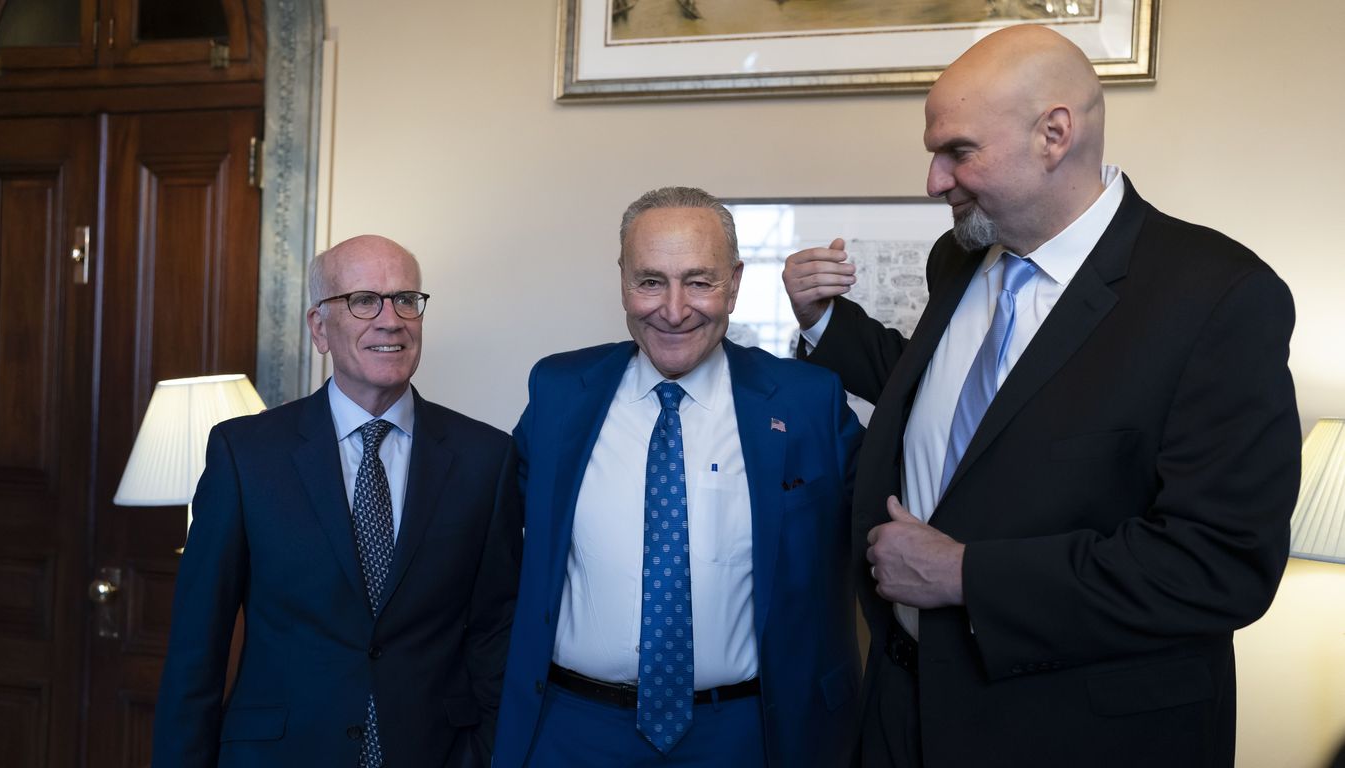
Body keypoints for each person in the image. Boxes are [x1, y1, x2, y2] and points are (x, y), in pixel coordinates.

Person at [783, 25, 1299, 767]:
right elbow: (957, 402)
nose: (933, 180)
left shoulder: (1217, 296)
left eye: (958, 151)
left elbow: (1219, 565)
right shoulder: (960, 256)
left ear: (1054, 134)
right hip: (904, 712)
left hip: (1071, 733)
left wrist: (964, 575)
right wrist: (826, 325)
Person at [494, 187, 864, 767]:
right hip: (573, 731)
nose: (673, 309)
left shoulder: (804, 402)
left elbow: (882, 514)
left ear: (735, 283)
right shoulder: (560, 392)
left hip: (746, 734)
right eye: (650, 281)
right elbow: (493, 544)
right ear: (622, 280)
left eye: (699, 281)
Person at [152, 235, 521, 767]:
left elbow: (496, 636)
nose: (390, 319)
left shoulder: (486, 457)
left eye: (406, 300)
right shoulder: (247, 456)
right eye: (363, 300)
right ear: (319, 329)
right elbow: (197, 648)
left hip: (436, 753)